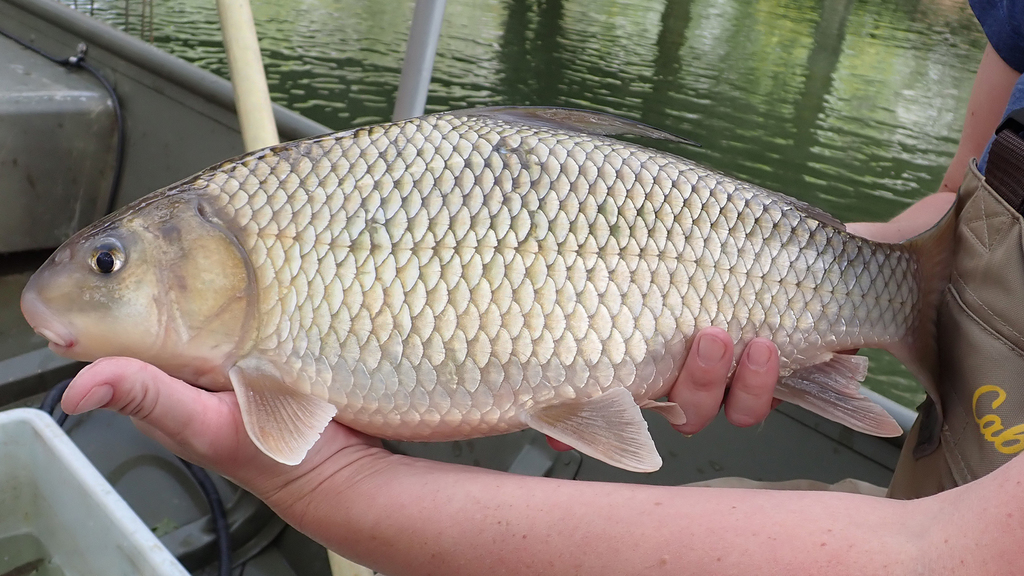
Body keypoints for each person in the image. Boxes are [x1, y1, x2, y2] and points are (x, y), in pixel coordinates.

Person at [56, 3, 1024, 573]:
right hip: (977, 299)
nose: (102, 278)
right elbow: (954, 189)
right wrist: (818, 272)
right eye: (113, 262)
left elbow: (944, 558)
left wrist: (341, 488)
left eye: (113, 264)